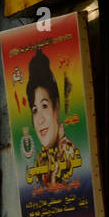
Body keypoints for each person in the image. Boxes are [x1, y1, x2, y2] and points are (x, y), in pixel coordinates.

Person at [26, 49, 82, 189]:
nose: (40, 120)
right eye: (35, 110)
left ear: (56, 107)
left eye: (44, 106)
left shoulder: (71, 155)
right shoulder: (41, 162)